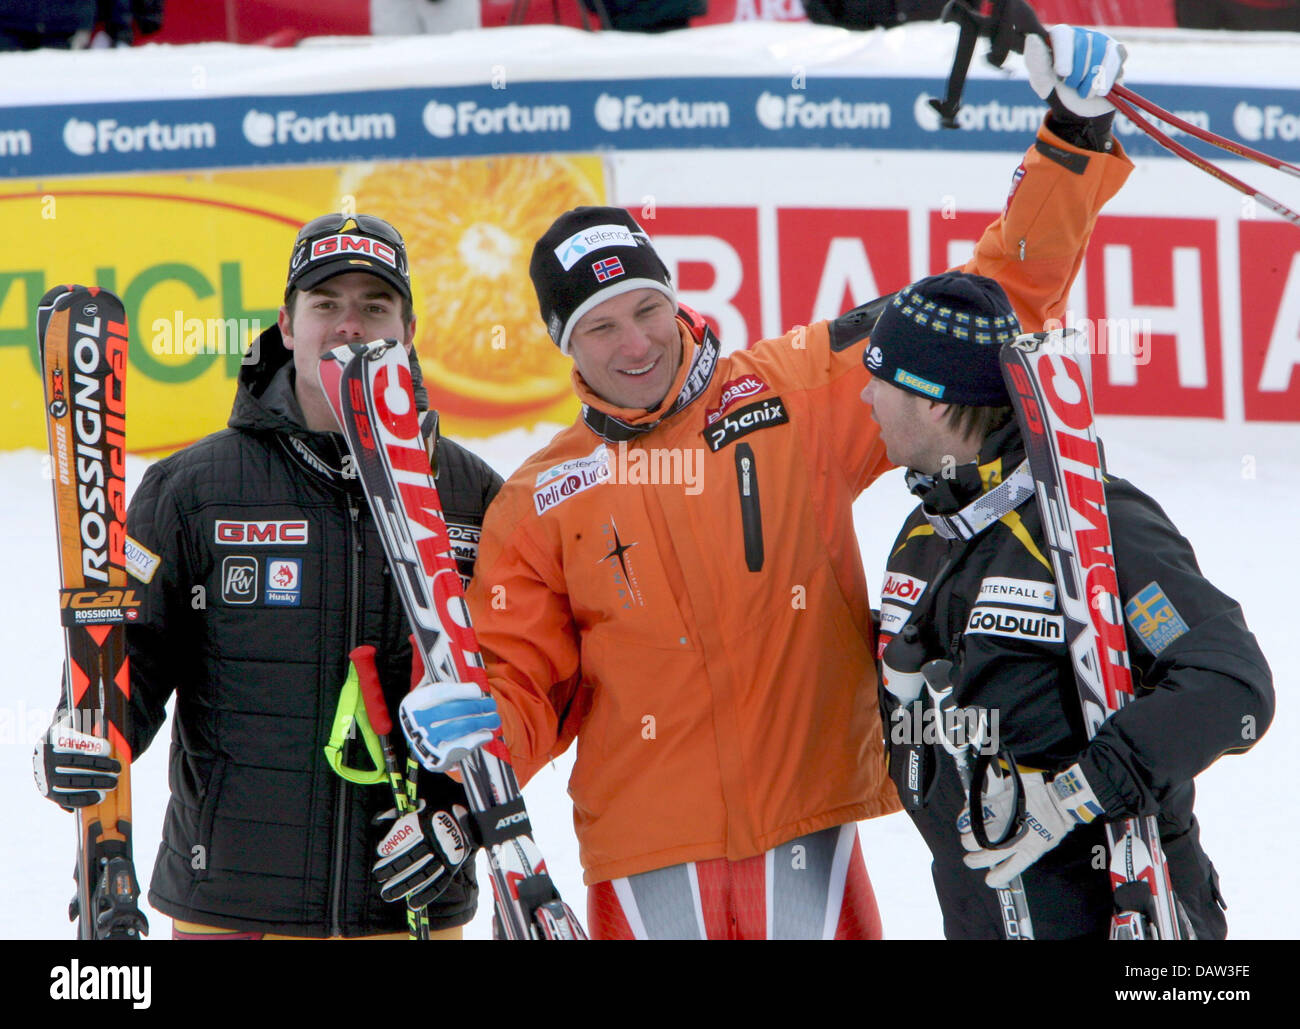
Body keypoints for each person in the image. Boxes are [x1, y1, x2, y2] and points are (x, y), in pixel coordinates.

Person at [400, 25, 1134, 939]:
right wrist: (477, 732)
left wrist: (1071, 138)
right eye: (599, 327)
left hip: (808, 837)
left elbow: (982, 307)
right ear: (563, 345)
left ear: (676, 298)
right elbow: (525, 686)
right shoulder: (539, 496)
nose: (635, 343)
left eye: (647, 308)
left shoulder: (798, 388)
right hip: (645, 858)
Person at [34, 214, 501, 939]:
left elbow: (518, 686)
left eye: (375, 305)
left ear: (409, 328)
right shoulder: (194, 489)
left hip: (408, 906)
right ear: (287, 323)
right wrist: (78, 739)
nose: (350, 325)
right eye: (326, 304)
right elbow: (127, 664)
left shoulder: (470, 496)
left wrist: (463, 819)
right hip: (230, 907)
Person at [863, 271, 1275, 939]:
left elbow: (1229, 684)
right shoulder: (920, 541)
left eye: (879, 378)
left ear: (934, 400)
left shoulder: (1093, 524)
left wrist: (1071, 794)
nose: (864, 396)